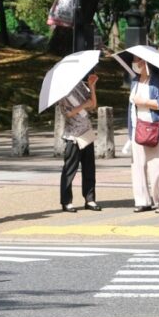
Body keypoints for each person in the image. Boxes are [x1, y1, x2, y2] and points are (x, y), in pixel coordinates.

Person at [127, 55, 159, 213]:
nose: (135, 63)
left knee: (157, 164)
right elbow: (131, 107)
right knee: (137, 166)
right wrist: (129, 132)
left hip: (153, 127)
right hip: (137, 127)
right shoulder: (135, 81)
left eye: (138, 59)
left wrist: (144, 102)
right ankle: (142, 201)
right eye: (134, 59)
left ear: (145, 62)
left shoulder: (157, 79)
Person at [59, 73, 101, 213]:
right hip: (73, 135)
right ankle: (66, 201)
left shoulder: (80, 86)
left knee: (89, 168)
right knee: (70, 169)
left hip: (86, 132)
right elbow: (67, 113)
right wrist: (84, 105)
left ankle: (90, 199)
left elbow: (93, 104)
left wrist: (92, 87)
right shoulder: (62, 91)